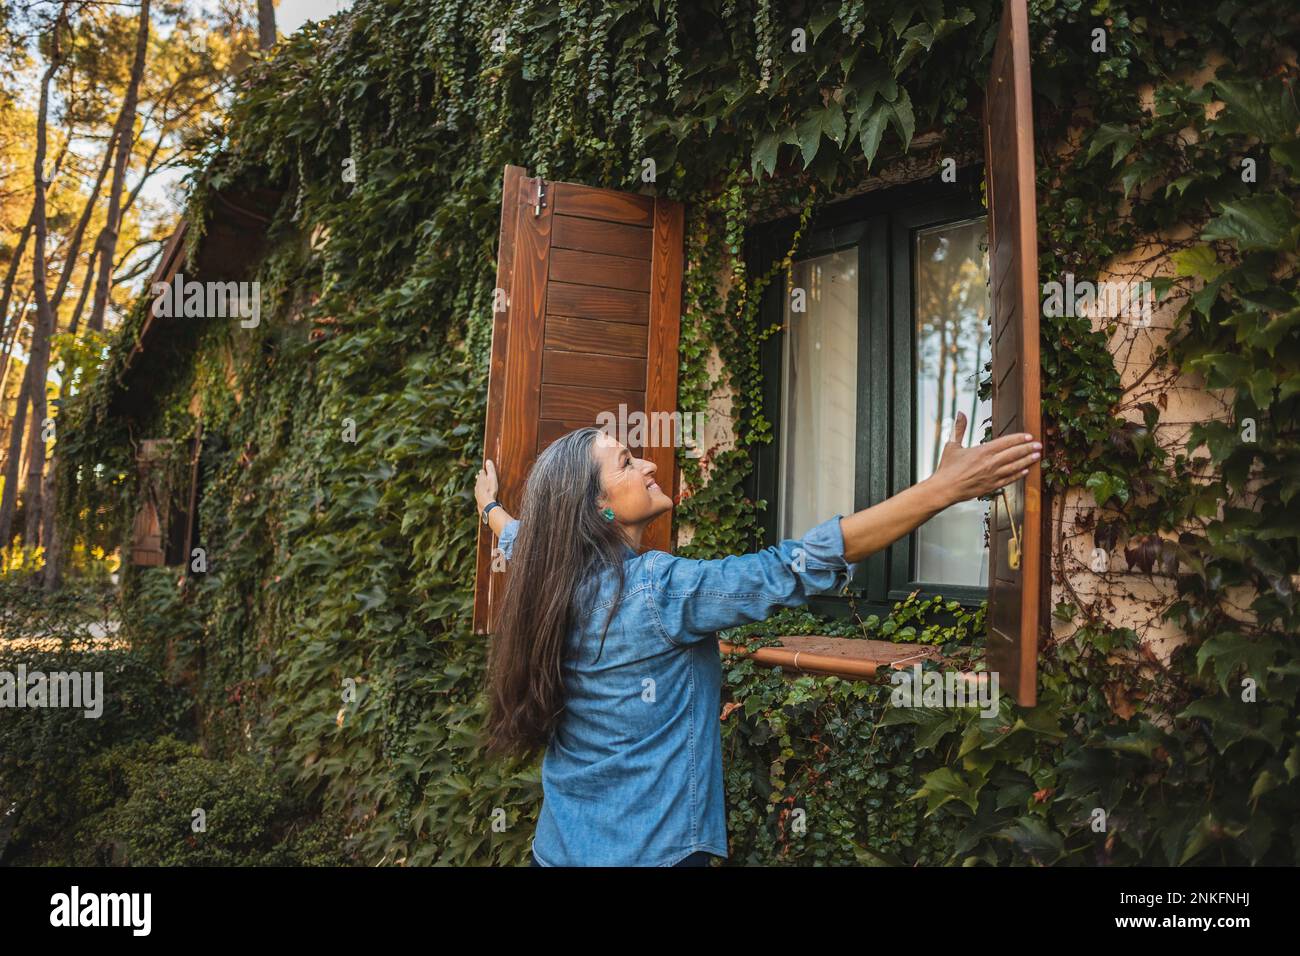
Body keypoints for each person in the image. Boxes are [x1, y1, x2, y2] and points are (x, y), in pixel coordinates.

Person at [475, 412, 1040, 867]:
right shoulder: (658, 589)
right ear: (598, 507)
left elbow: (519, 537)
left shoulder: (550, 574)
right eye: (626, 462)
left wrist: (491, 508)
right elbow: (791, 567)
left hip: (559, 849)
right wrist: (941, 491)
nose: (647, 462)